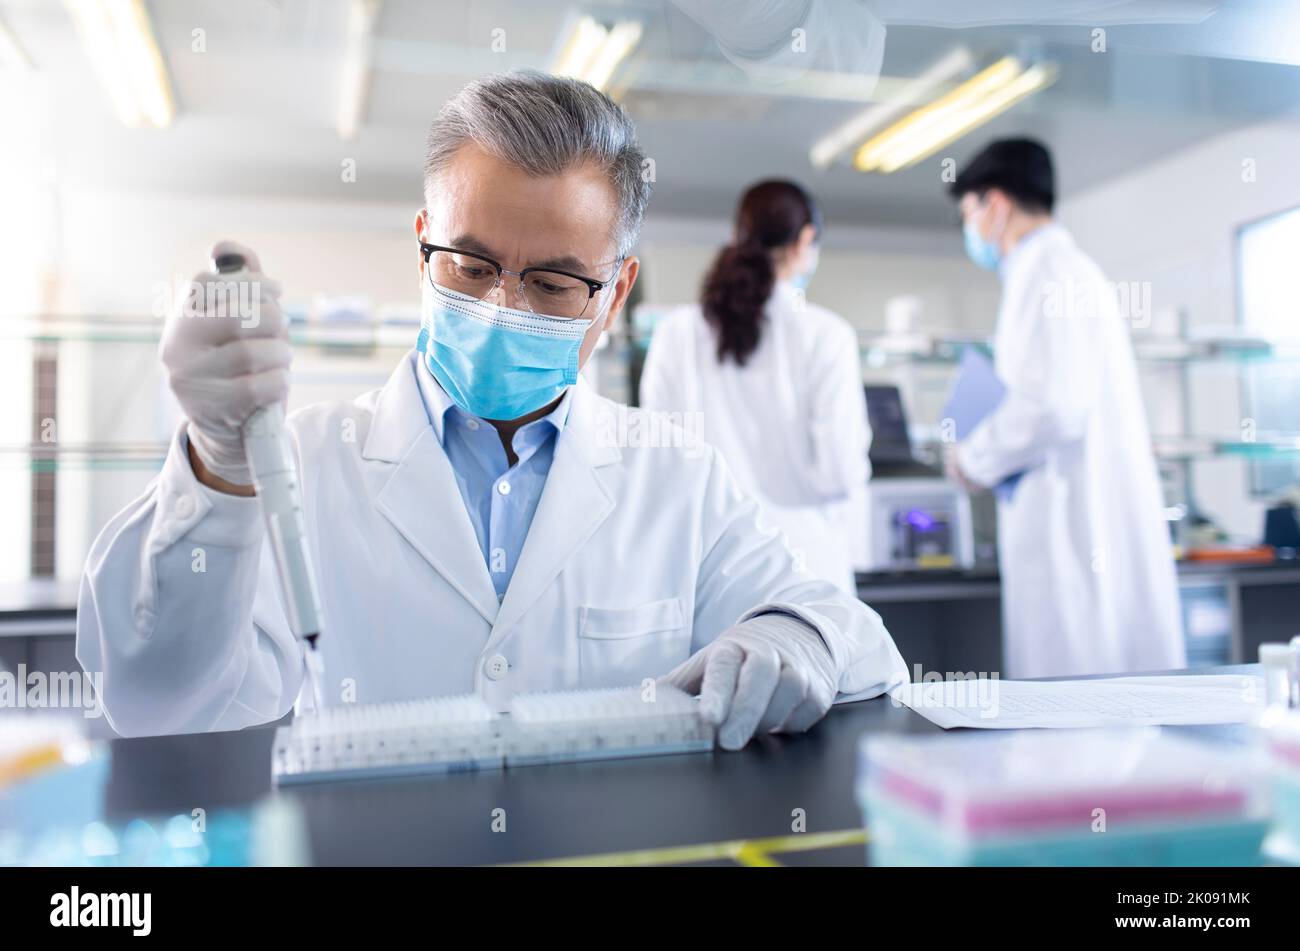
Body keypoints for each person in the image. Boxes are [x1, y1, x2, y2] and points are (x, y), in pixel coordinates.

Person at [76, 72, 905, 747]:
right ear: (422, 241)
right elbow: (158, 709)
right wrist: (219, 467)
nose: (503, 306)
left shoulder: (674, 471)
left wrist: (796, 637)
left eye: (550, 282)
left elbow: (855, 638)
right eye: (470, 266)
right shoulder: (307, 462)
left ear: (614, 293)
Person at [946, 138, 1183, 678]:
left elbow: (1053, 405)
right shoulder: (1070, 269)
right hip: (1086, 517)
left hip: (1068, 528)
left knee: (1073, 709)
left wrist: (972, 458)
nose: (970, 230)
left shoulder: (1043, 273)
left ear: (997, 205)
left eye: (968, 213)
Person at [640, 181, 870, 595]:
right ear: (806, 241)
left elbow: (659, 461)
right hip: (807, 571)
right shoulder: (827, 335)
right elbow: (840, 472)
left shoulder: (676, 333)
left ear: (737, 237)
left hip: (707, 573)